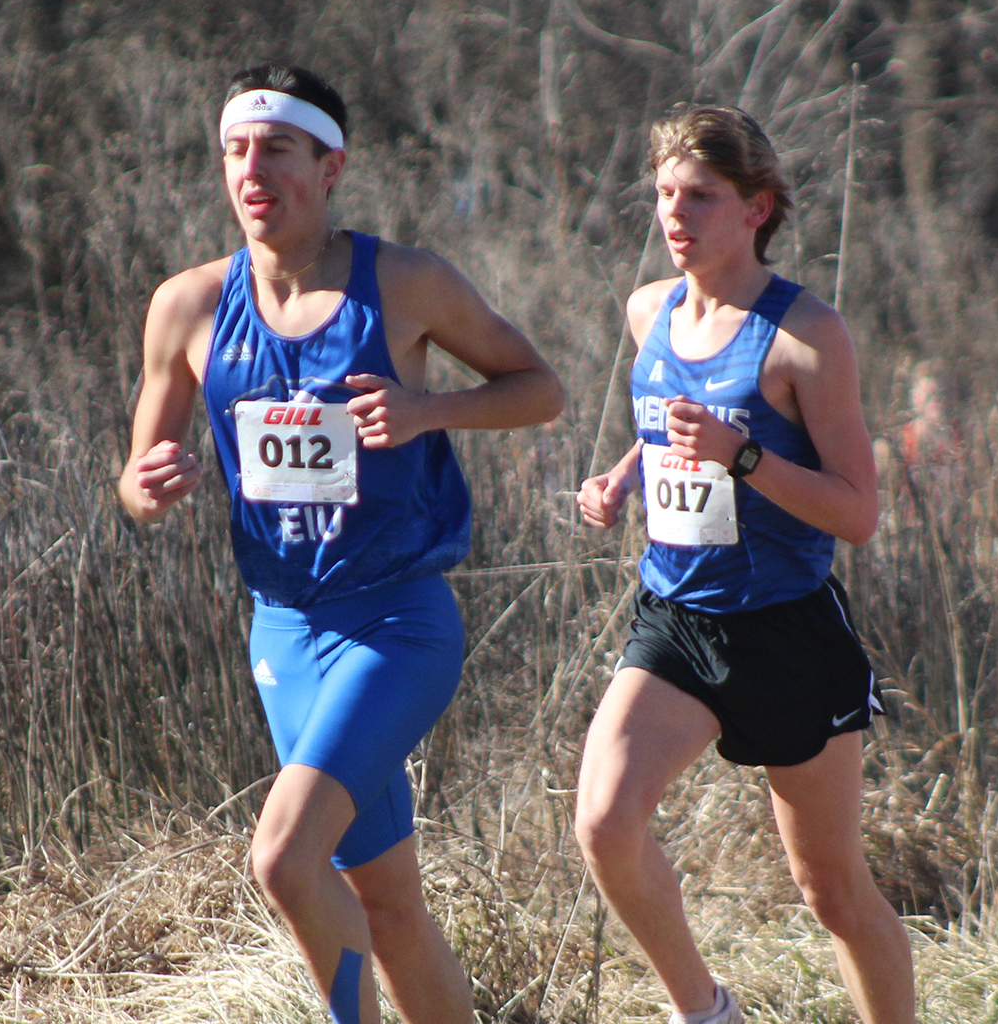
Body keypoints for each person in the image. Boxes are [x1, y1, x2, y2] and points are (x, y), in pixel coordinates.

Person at [117, 65, 564, 1024]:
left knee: (284, 857)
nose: (253, 169)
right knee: (389, 907)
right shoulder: (188, 305)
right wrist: (147, 489)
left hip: (398, 625)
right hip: (283, 633)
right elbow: (136, 477)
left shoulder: (405, 283)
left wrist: (426, 410)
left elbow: (539, 388)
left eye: (278, 148)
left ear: (331, 168)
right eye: (237, 149)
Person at [573, 105, 912, 1024]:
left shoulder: (806, 336)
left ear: (758, 207)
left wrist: (746, 459)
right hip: (677, 618)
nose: (675, 216)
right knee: (603, 823)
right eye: (663, 196)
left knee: (832, 890)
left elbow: (859, 511)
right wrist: (620, 476)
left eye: (701, 197)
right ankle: (705, 1010)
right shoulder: (650, 310)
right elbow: (668, 427)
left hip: (787, 629)